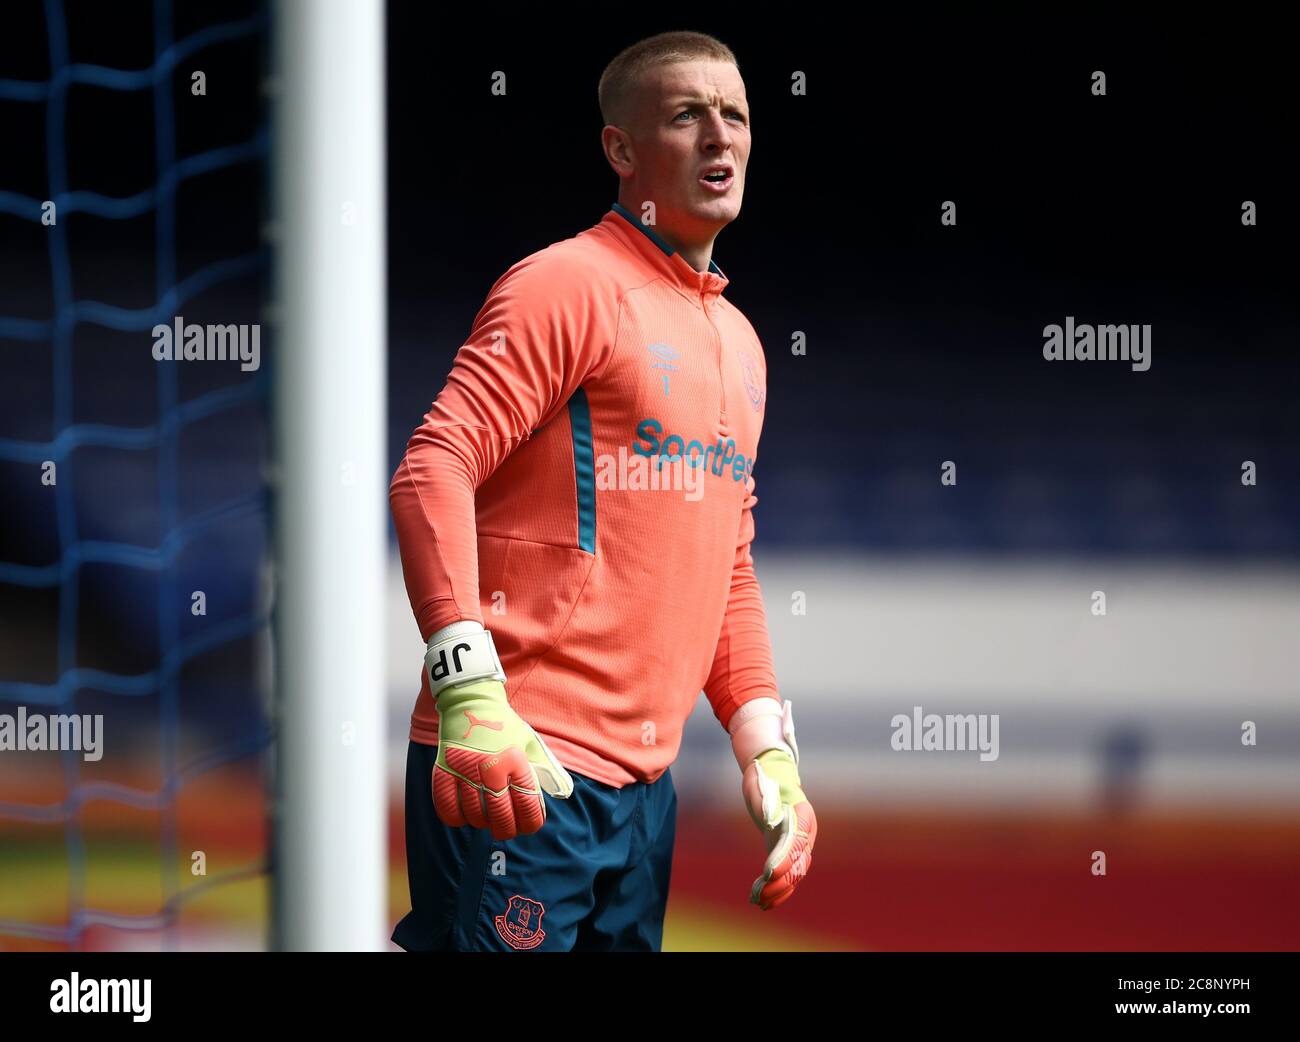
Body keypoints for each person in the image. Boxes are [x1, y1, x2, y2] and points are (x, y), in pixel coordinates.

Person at [390, 30, 815, 952]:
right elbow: (436, 462)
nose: (720, 138)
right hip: (523, 760)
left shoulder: (741, 342)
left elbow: (726, 563)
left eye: (735, 114)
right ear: (621, 150)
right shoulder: (568, 284)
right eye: (686, 115)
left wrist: (765, 746)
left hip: (643, 793)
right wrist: (468, 689)